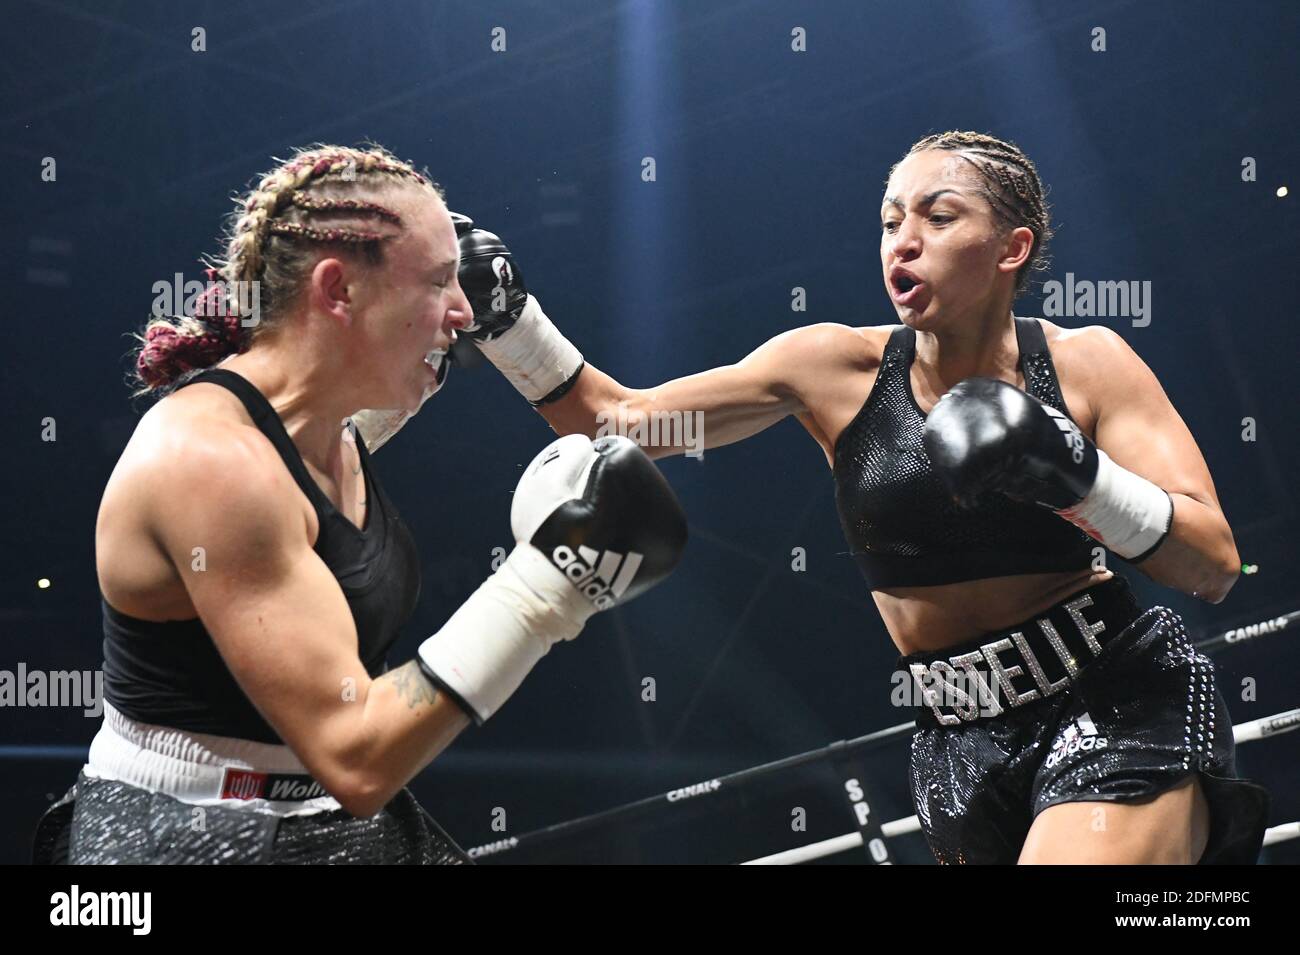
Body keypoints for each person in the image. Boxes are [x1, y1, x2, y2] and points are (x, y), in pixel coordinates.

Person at [439, 130, 1270, 864]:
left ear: (1011, 248)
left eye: (938, 218)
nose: (903, 242)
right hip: (957, 737)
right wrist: (512, 321)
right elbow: (622, 423)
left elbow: (1214, 563)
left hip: (1114, 696)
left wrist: (1077, 474)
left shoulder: (1089, 363)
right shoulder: (831, 368)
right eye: (889, 221)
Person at [32, 144, 686, 864]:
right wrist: (548, 589)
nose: (464, 312)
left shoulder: (330, 425)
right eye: (439, 281)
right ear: (338, 291)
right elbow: (357, 757)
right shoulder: (213, 467)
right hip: (185, 834)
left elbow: (611, 413)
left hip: (324, 813)